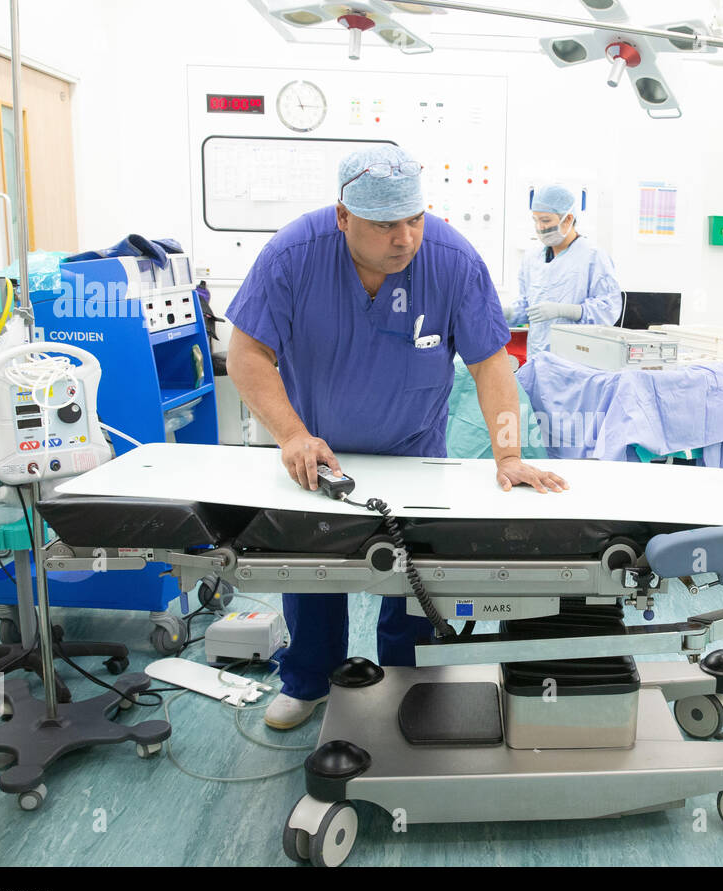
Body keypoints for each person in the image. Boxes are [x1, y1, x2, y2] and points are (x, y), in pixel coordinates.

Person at [227, 144, 568, 730]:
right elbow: (247, 352)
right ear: (343, 217)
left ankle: (408, 686)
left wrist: (508, 453)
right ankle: (308, 681)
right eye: (385, 225)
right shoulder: (294, 255)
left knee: (412, 584)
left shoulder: (452, 260)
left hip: (414, 453)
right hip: (318, 457)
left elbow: (492, 364)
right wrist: (290, 435)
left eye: (414, 219)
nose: (405, 238)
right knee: (311, 576)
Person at [504, 184, 622, 354]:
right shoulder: (532, 258)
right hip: (538, 356)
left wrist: (566, 310)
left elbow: (608, 309)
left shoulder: (593, 257)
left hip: (577, 358)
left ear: (567, 219)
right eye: (535, 220)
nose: (539, 227)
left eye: (545, 220)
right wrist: (508, 313)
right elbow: (528, 306)